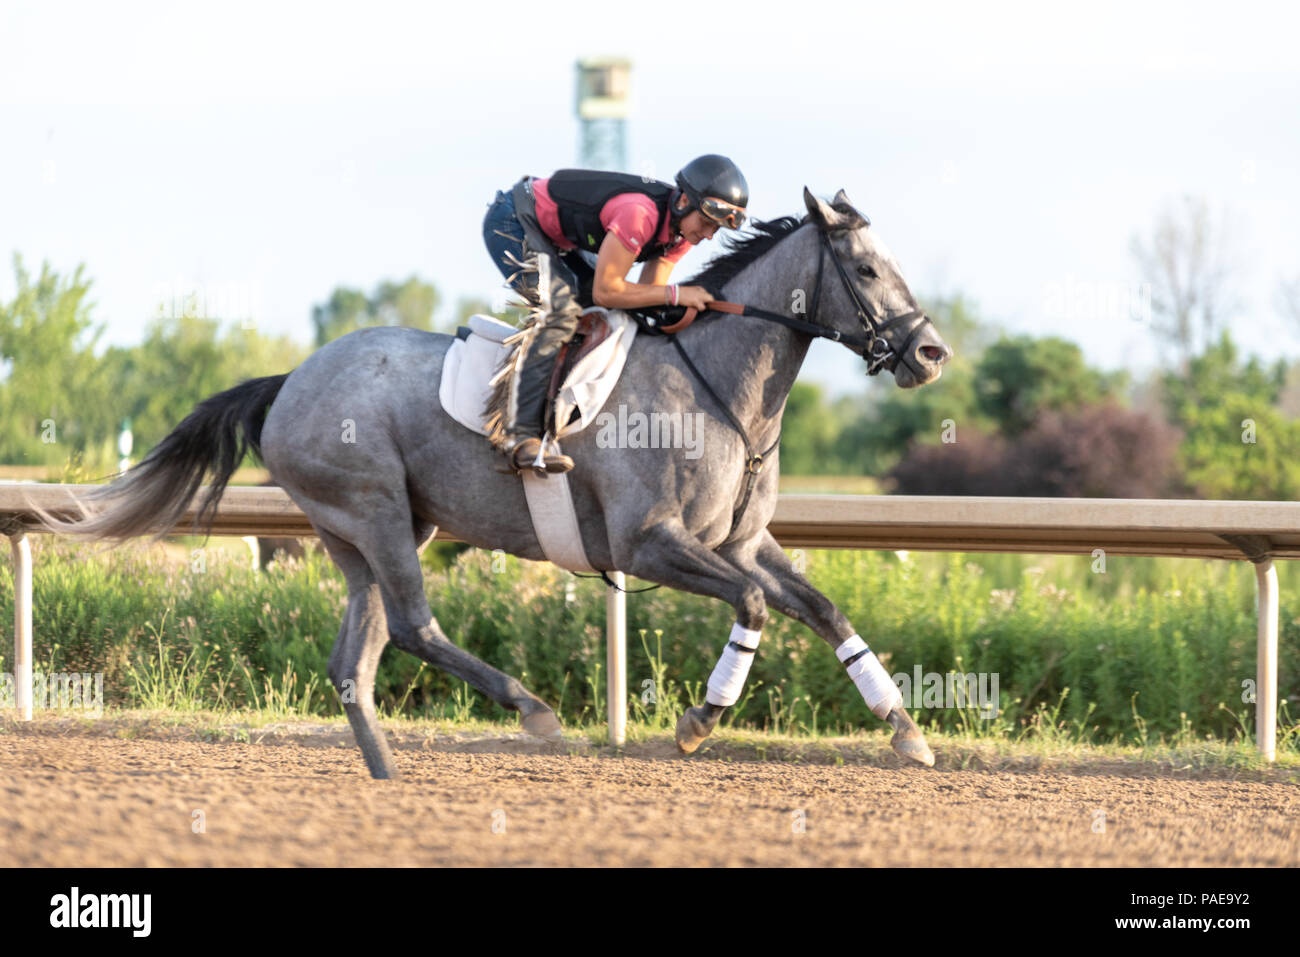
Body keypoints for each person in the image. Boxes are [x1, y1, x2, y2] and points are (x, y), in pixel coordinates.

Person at [480, 154, 749, 475]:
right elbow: (607, 290)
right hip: (513, 220)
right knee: (560, 311)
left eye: (716, 229)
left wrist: (680, 307)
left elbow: (646, 294)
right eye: (706, 223)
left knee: (614, 313)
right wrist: (678, 294)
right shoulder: (640, 214)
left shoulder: (681, 234)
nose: (708, 235)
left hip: (556, 239)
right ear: (684, 201)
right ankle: (520, 436)